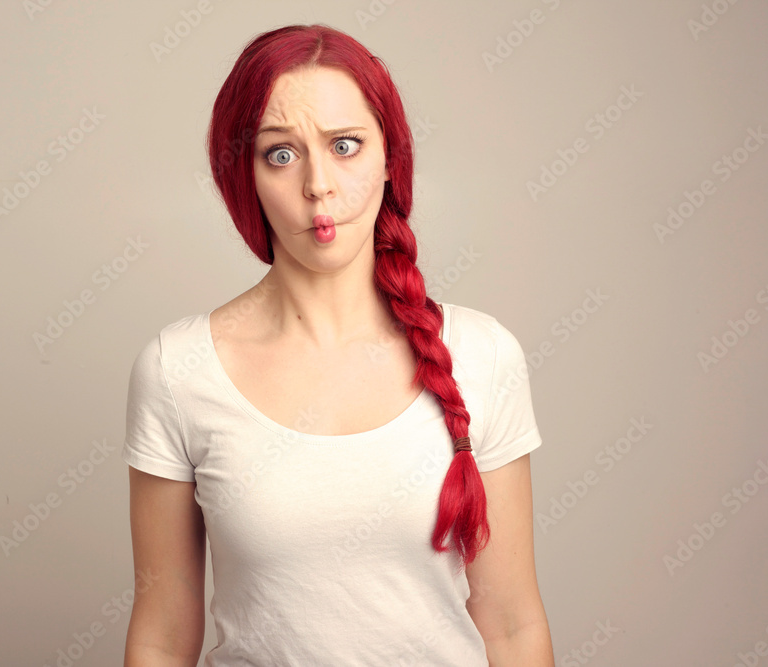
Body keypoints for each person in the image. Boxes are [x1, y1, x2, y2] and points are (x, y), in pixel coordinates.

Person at [122, 24, 554, 667]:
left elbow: (514, 627)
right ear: (243, 175)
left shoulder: (484, 356)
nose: (318, 185)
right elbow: (161, 636)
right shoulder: (178, 370)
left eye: (345, 145)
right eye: (280, 154)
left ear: (390, 158)